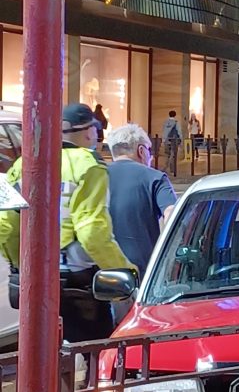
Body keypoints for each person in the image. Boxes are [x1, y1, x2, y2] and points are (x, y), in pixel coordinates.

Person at [0, 103, 135, 342]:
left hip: (35, 277)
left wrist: (21, 267)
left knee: (44, 347)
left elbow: (7, 226)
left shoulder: (22, 165)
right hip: (77, 280)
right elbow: (92, 231)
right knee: (93, 348)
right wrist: (124, 270)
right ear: (88, 132)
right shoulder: (88, 164)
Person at [106, 123, 177, 279]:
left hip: (103, 268)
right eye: (149, 151)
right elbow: (171, 213)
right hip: (143, 269)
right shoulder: (155, 177)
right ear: (141, 150)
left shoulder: (97, 176)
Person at [162, 110, 183, 176]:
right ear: (175, 115)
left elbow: (164, 131)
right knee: (173, 155)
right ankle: (172, 169)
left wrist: (163, 140)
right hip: (174, 141)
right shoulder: (176, 122)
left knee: (167, 155)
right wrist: (181, 140)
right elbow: (179, 131)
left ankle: (165, 167)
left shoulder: (165, 122)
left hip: (166, 140)